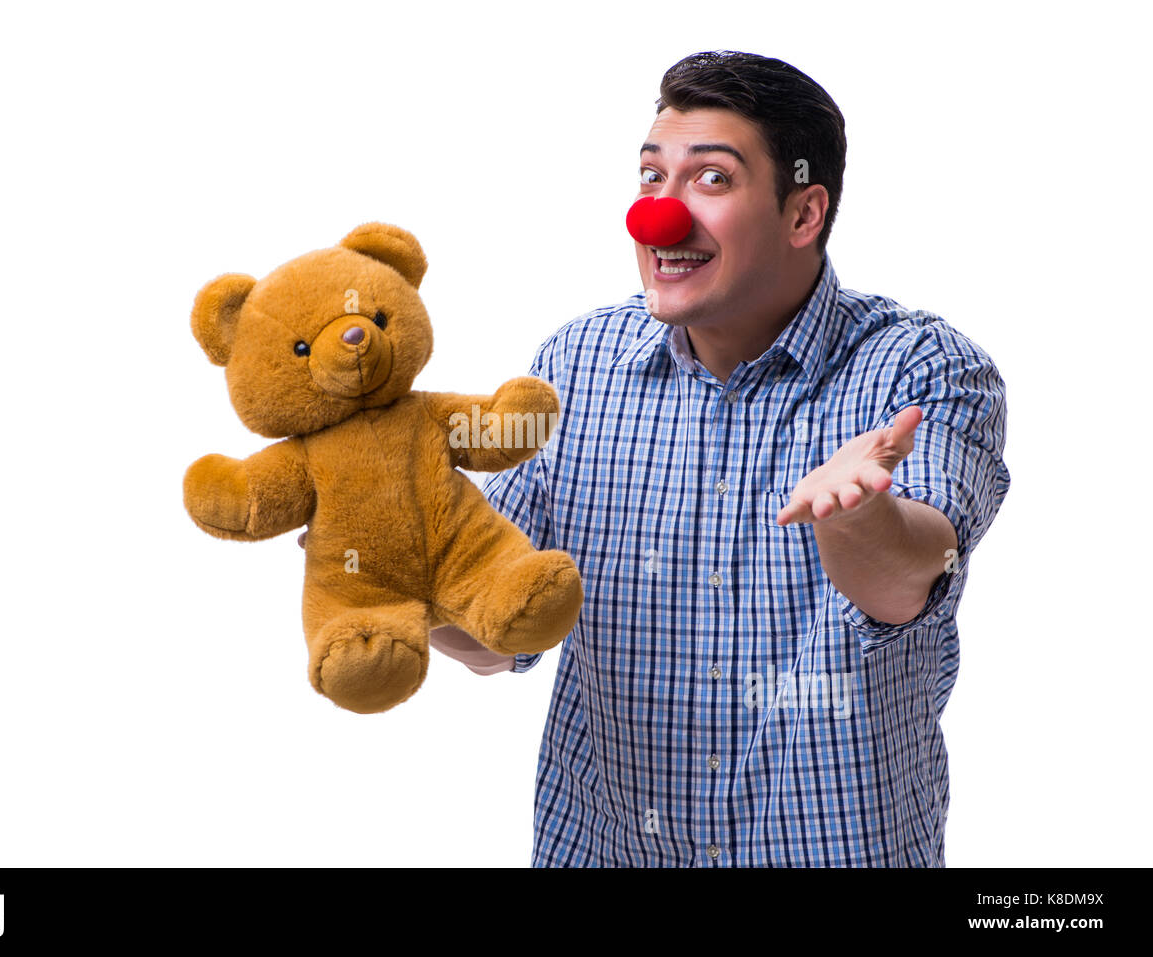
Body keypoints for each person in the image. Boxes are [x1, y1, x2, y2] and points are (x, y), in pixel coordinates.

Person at [429, 50, 1011, 867]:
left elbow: (909, 575)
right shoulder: (576, 364)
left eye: (709, 180)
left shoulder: (923, 370)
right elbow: (495, 633)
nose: (658, 219)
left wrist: (856, 516)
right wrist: (404, 561)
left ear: (804, 214)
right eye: (649, 178)